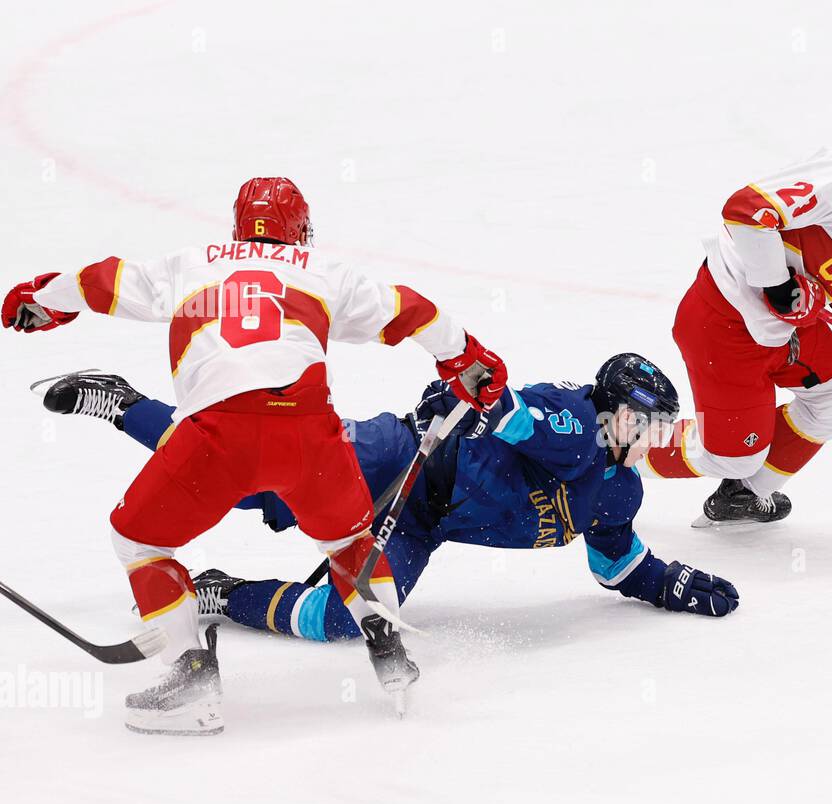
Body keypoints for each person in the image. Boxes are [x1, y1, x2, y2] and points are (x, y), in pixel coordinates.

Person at [1, 177, 507, 734]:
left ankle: (191, 674)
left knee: (140, 540)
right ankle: (387, 649)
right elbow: (413, 309)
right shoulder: (322, 274)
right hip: (312, 433)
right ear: (300, 229)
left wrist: (40, 298)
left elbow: (101, 281)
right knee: (349, 541)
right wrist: (468, 360)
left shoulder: (191, 264)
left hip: (219, 435)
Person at [32, 355, 739, 645]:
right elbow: (510, 406)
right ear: (616, 412)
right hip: (400, 455)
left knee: (344, 620)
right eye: (643, 423)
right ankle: (122, 402)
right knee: (241, 478)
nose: (650, 438)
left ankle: (218, 593)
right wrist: (464, 389)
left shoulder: (618, 488)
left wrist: (670, 582)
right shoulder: (577, 425)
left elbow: (617, 566)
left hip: (421, 518)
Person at [643, 90, 832, 526]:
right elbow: (747, 211)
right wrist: (780, 287)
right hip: (727, 325)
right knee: (730, 456)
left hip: (785, 331)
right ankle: (616, 450)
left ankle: (743, 497)